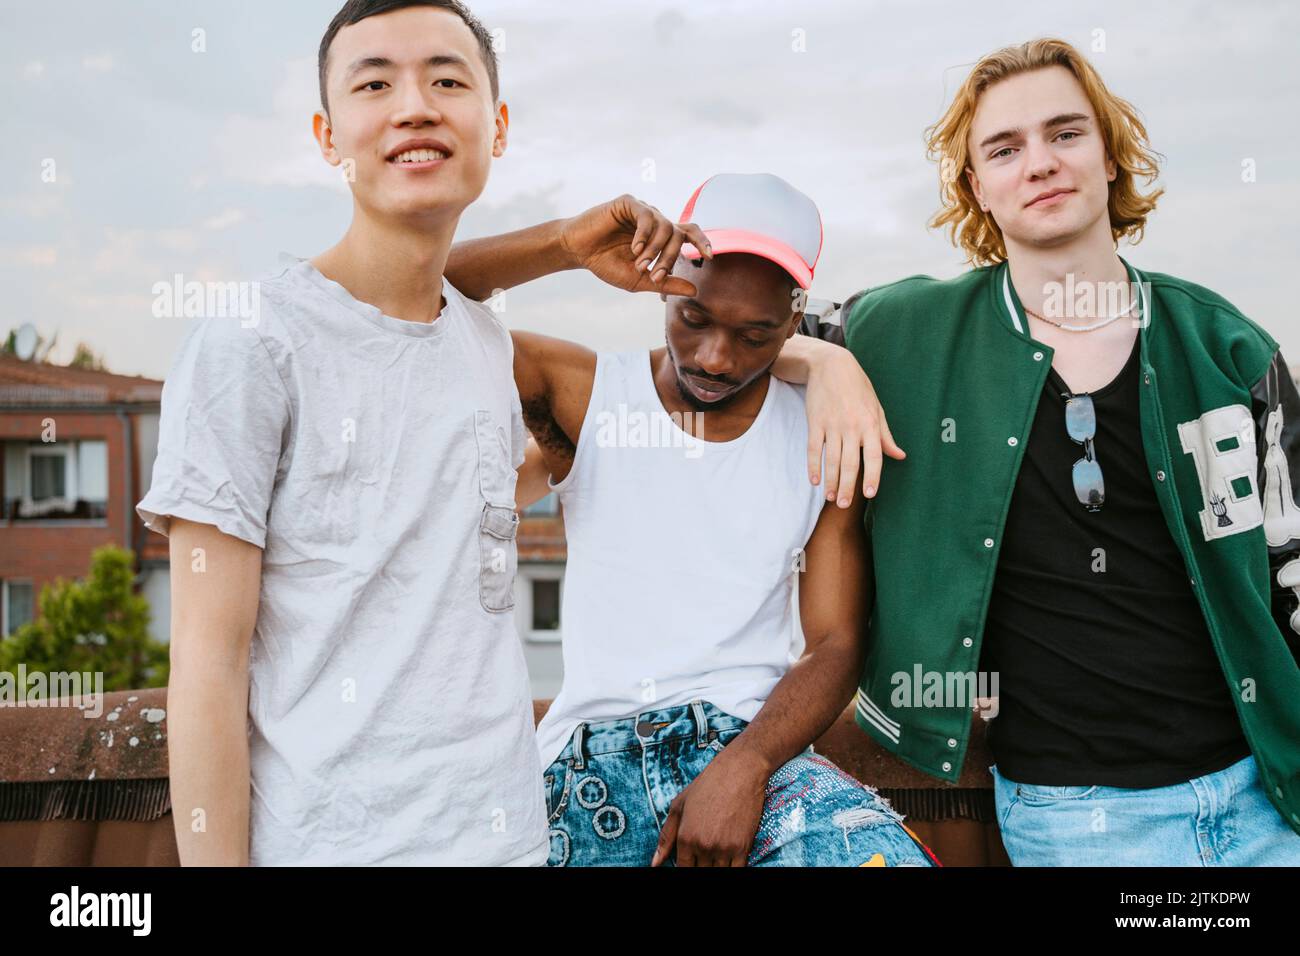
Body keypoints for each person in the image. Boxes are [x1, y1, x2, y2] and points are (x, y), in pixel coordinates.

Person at [135, 0, 700, 865]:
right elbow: (209, 662)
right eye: (375, 83)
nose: (415, 106)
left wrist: (829, 364)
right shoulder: (251, 343)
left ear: (496, 124)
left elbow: (453, 472)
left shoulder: (480, 341)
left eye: (447, 79)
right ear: (328, 137)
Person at [796, 37, 1300, 865]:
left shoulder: (1223, 345)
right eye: (1005, 148)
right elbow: (733, 336)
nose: (1041, 163)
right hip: (1076, 820)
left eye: (1066, 134)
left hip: (1263, 799)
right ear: (977, 189)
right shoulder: (901, 333)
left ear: (1109, 157)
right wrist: (822, 358)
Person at [445, 173, 940, 866]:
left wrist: (747, 765)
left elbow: (833, 642)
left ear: (795, 322)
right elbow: (411, 304)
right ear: (666, 281)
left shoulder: (821, 432)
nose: (714, 359)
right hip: (587, 758)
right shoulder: (588, 393)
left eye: (754, 335)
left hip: (752, 747)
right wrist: (564, 243)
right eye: (695, 319)